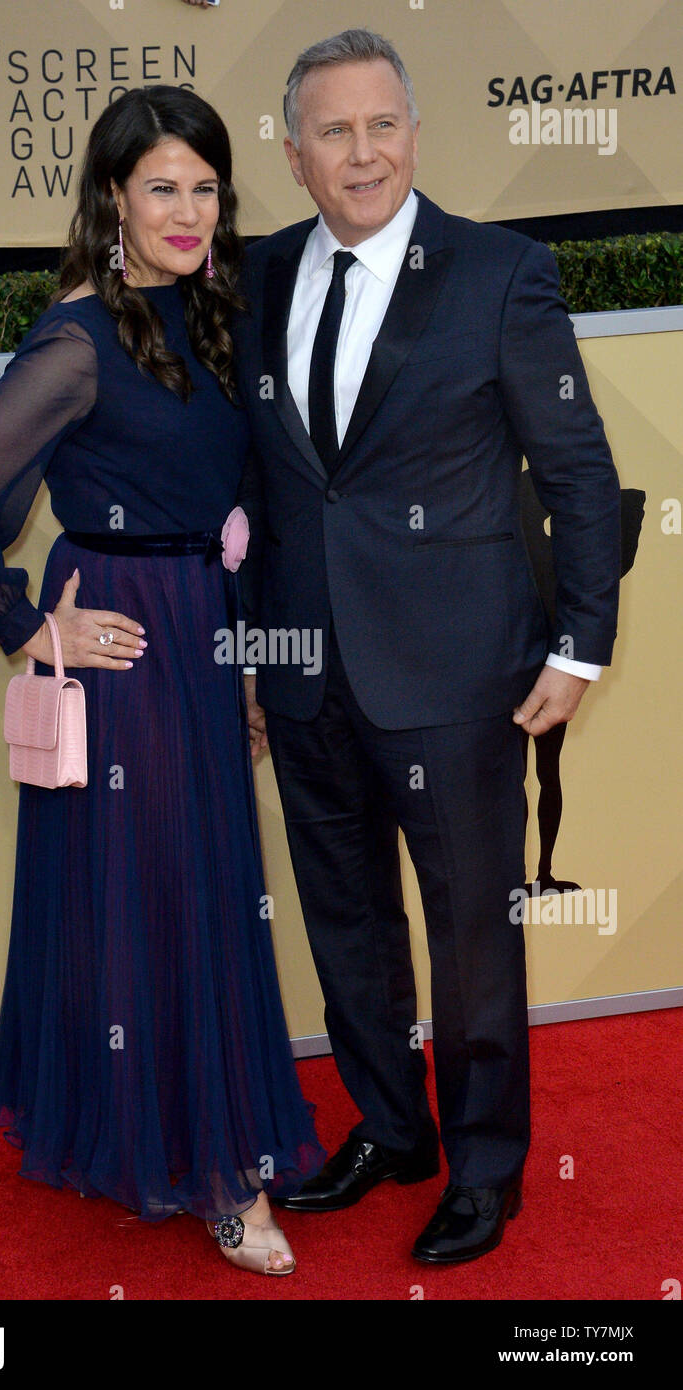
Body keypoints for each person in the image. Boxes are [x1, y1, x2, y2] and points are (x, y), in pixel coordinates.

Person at [0, 84, 325, 1277]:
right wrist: (32, 626)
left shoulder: (213, 309)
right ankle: (216, 1175)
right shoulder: (77, 336)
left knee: (196, 888)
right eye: (161, 189)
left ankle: (164, 1127)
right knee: (158, 896)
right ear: (111, 198)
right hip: (125, 641)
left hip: (202, 626)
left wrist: (243, 663)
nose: (187, 211)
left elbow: (228, 510)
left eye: (204, 188)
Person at [234, 29, 621, 1264]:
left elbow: (576, 473)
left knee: (467, 937)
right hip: (303, 670)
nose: (364, 152)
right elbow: (257, 482)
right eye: (335, 132)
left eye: (383, 124)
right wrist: (251, 654)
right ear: (292, 155)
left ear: (413, 132)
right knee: (346, 925)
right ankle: (390, 1130)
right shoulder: (252, 277)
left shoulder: (500, 273)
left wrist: (580, 649)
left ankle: (486, 1169)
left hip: (456, 677)